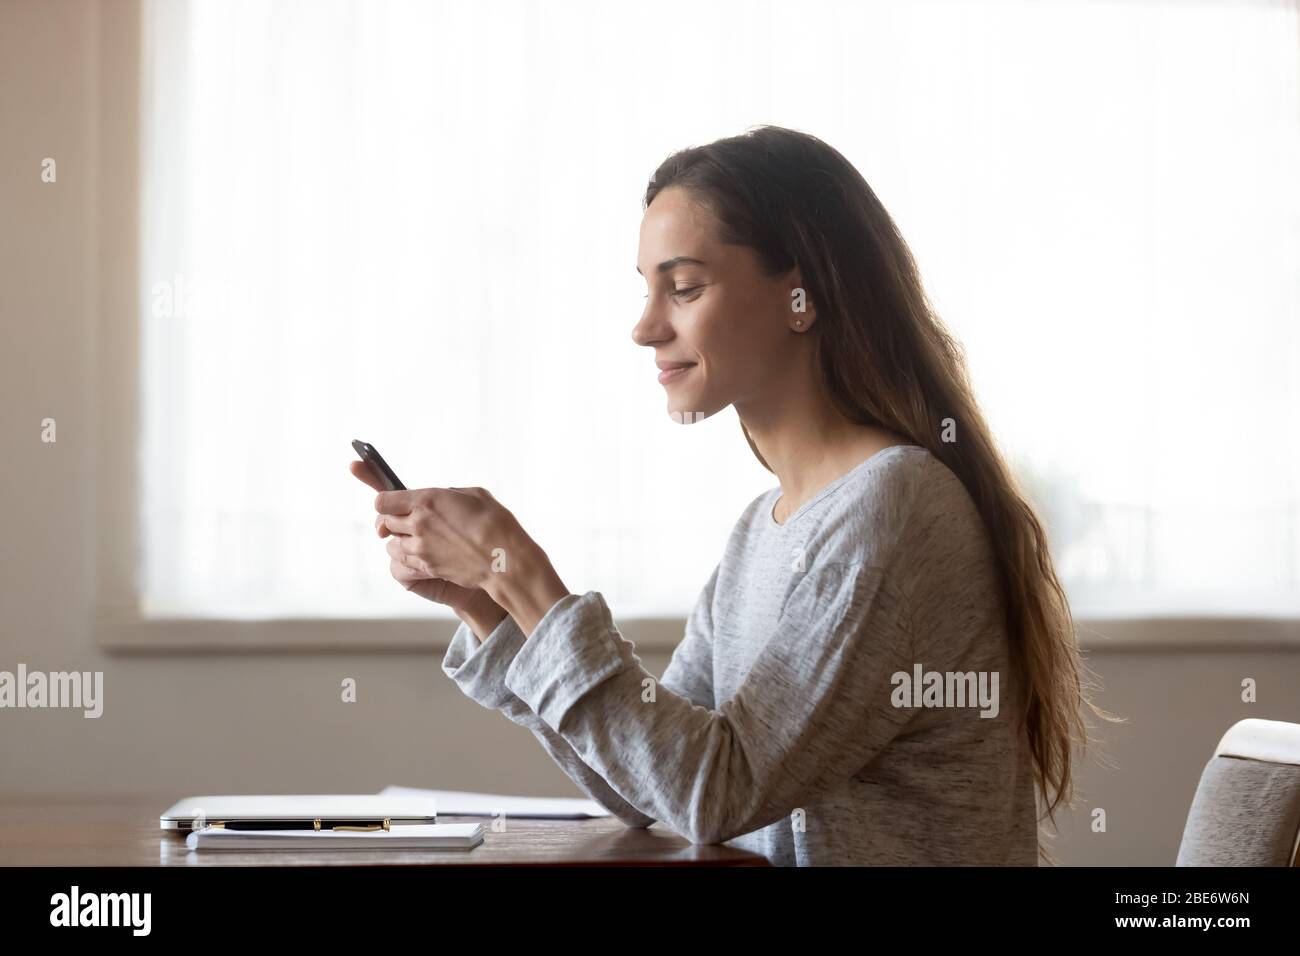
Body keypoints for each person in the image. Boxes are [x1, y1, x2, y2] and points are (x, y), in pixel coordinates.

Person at [351, 125, 1102, 866]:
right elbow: (652, 787)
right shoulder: (764, 529)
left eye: (683, 288)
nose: (645, 327)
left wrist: (514, 567)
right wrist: (487, 602)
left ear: (802, 293)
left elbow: (720, 793)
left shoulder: (891, 511)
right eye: (646, 290)